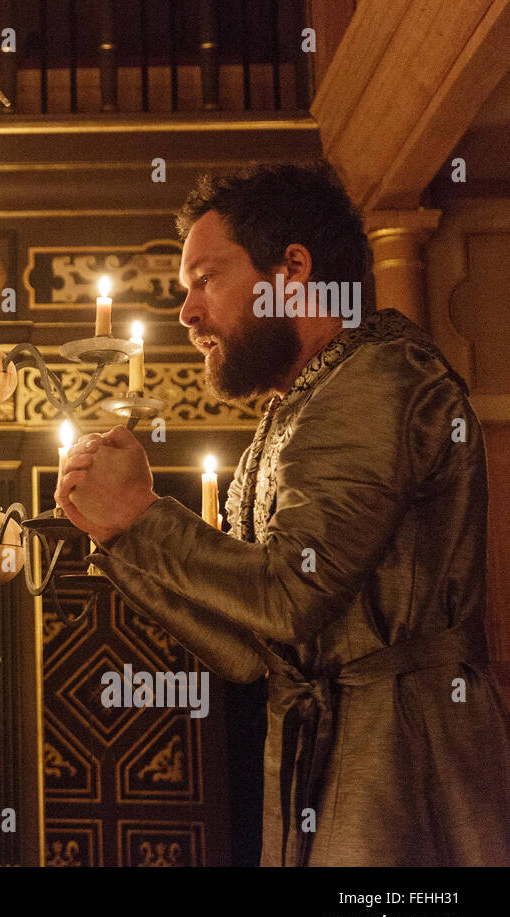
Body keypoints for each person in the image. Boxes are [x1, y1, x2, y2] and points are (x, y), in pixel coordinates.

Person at [55, 161, 510, 865]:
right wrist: (120, 537)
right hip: (331, 749)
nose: (188, 313)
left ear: (293, 268)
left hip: (409, 756)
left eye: (206, 279)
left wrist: (144, 515)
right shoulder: (295, 408)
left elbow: (290, 597)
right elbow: (251, 647)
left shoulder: (379, 377)